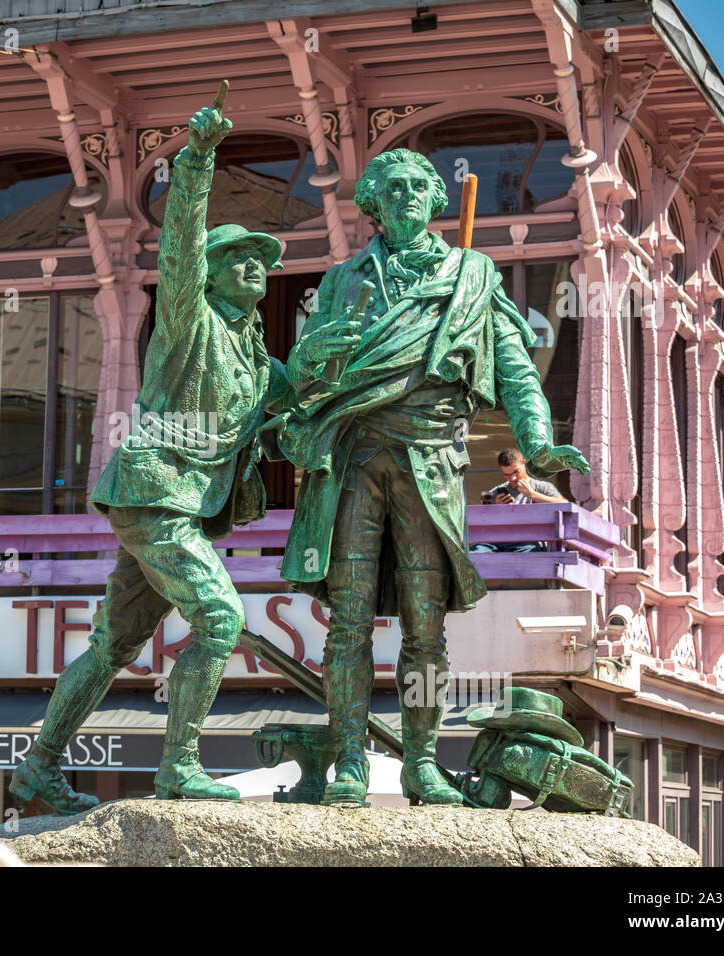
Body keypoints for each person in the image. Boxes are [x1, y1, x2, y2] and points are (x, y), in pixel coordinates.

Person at [263, 147, 589, 807]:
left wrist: (538, 442)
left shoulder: (473, 275)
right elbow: (305, 381)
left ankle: (421, 764)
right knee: (348, 619)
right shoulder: (341, 280)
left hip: (433, 458)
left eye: (421, 186)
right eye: (396, 187)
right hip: (353, 457)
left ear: (436, 201)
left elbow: (516, 367)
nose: (410, 194)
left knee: (426, 626)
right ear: (375, 202)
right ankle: (351, 763)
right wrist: (305, 360)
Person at [8, 85, 295, 814]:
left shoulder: (260, 361)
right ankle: (179, 768)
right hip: (154, 489)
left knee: (112, 645)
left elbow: (313, 394)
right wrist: (196, 162)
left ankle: (37, 767)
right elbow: (181, 245)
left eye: (263, 261)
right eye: (241, 259)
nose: (256, 268)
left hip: (177, 507)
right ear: (213, 273)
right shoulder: (188, 321)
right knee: (220, 618)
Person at [470, 448, 567, 553]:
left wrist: (533, 495)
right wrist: (494, 507)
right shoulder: (497, 490)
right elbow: (479, 513)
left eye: (516, 472)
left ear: (524, 463)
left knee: (528, 554)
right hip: (494, 541)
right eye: (506, 475)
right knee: (472, 555)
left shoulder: (541, 487)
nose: (512, 478)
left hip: (527, 542)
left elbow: (564, 503)